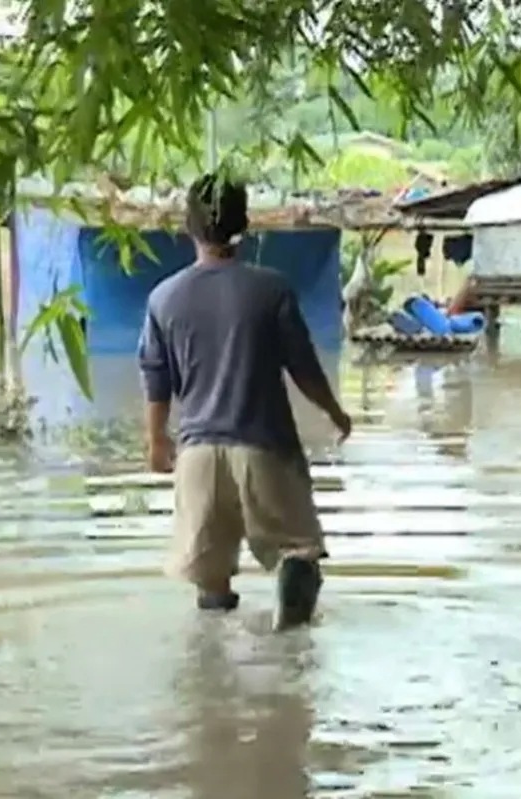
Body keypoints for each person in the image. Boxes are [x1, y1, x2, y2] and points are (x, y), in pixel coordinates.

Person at [137, 172, 352, 630]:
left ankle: (214, 680)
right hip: (264, 448)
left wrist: (157, 441)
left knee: (209, 580)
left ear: (188, 228)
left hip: (197, 457)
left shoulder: (163, 298)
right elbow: (303, 366)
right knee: (300, 550)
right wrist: (334, 412)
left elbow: (155, 378)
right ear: (245, 225)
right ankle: (291, 655)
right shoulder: (271, 289)